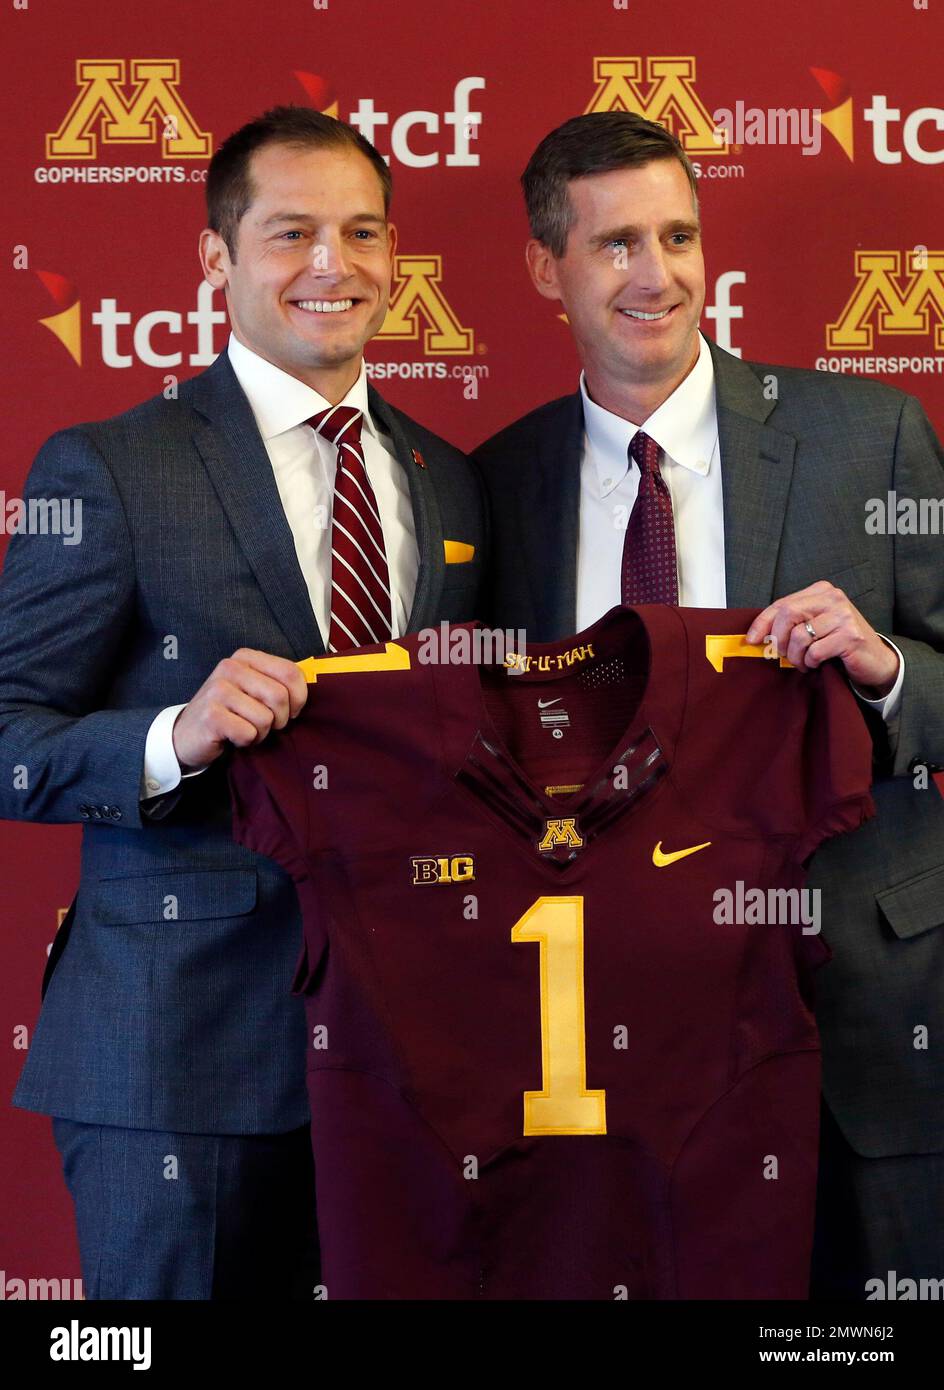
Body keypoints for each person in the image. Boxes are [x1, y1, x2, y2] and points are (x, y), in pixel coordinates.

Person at [0, 105, 484, 1299]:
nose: (335, 264)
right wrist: (178, 734)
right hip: (176, 1064)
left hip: (404, 1060)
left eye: (362, 231)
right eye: (291, 232)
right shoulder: (110, 465)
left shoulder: (448, 476)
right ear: (215, 260)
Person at [472, 110, 944, 1298]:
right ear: (547, 267)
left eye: (677, 235)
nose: (657, 274)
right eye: (616, 242)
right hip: (597, 1031)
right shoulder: (492, 481)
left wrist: (882, 663)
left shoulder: (865, 435)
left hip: (856, 1021)